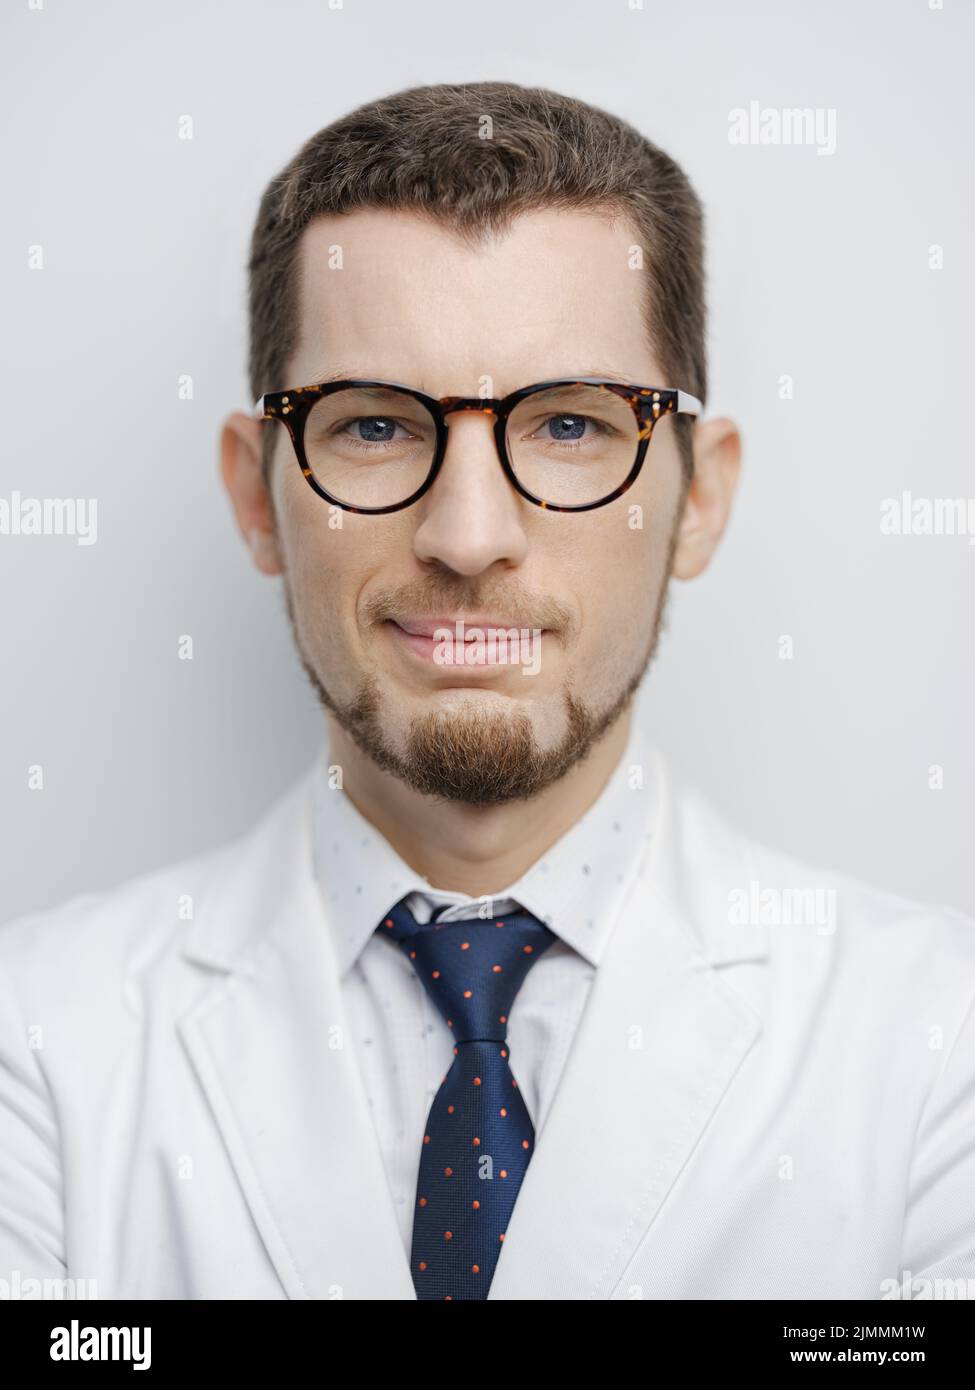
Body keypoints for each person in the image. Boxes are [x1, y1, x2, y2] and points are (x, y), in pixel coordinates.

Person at [1, 82, 972, 1303]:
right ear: (257, 496)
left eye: (569, 424)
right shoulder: (34, 1046)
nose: (468, 535)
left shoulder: (941, 1047)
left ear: (700, 498)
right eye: (372, 427)